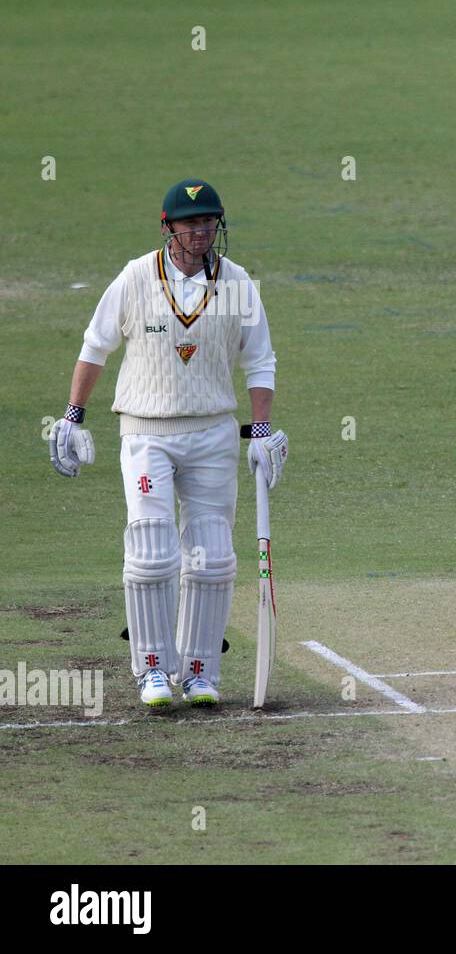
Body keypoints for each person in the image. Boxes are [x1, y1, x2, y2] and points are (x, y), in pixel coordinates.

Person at [50, 178, 286, 707]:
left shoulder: (239, 283)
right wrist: (73, 416)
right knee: (153, 552)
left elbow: (260, 361)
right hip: (146, 431)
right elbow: (95, 346)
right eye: (191, 225)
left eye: (209, 224)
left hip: (212, 433)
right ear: (168, 228)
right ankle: (152, 668)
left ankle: (200, 670)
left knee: (212, 557)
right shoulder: (136, 278)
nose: (202, 234)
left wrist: (263, 429)